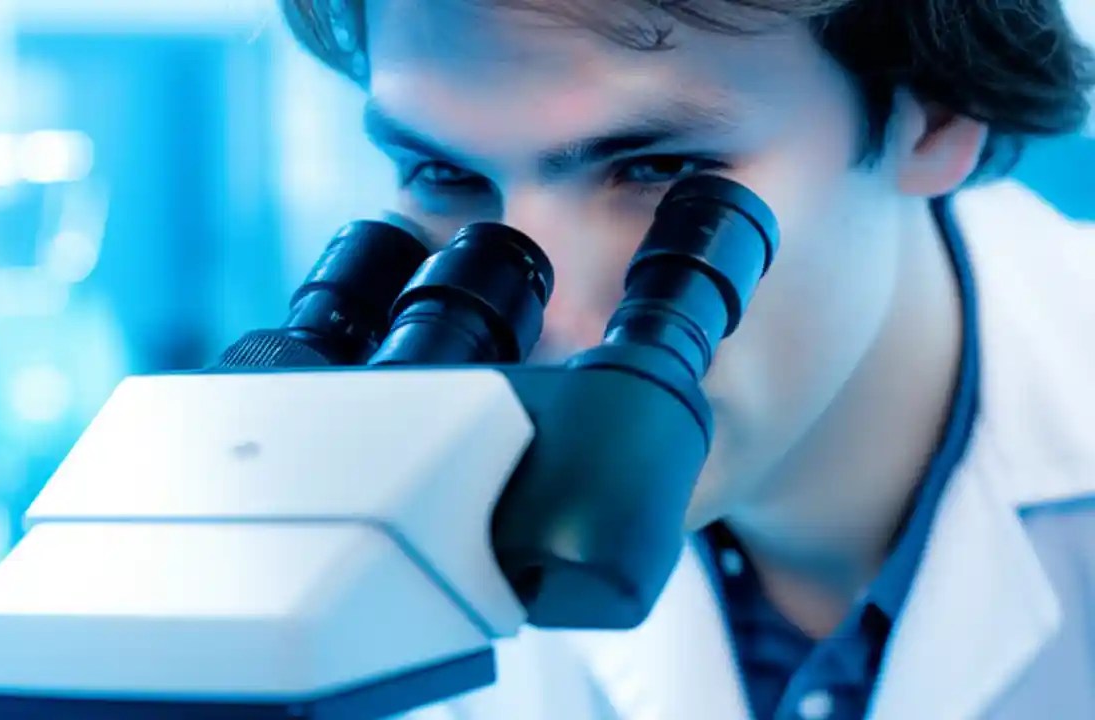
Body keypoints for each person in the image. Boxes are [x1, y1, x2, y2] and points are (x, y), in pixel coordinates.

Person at [279, 1, 1095, 718]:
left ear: (938, 111)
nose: (548, 330)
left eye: (659, 170)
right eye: (444, 174)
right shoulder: (396, 549)